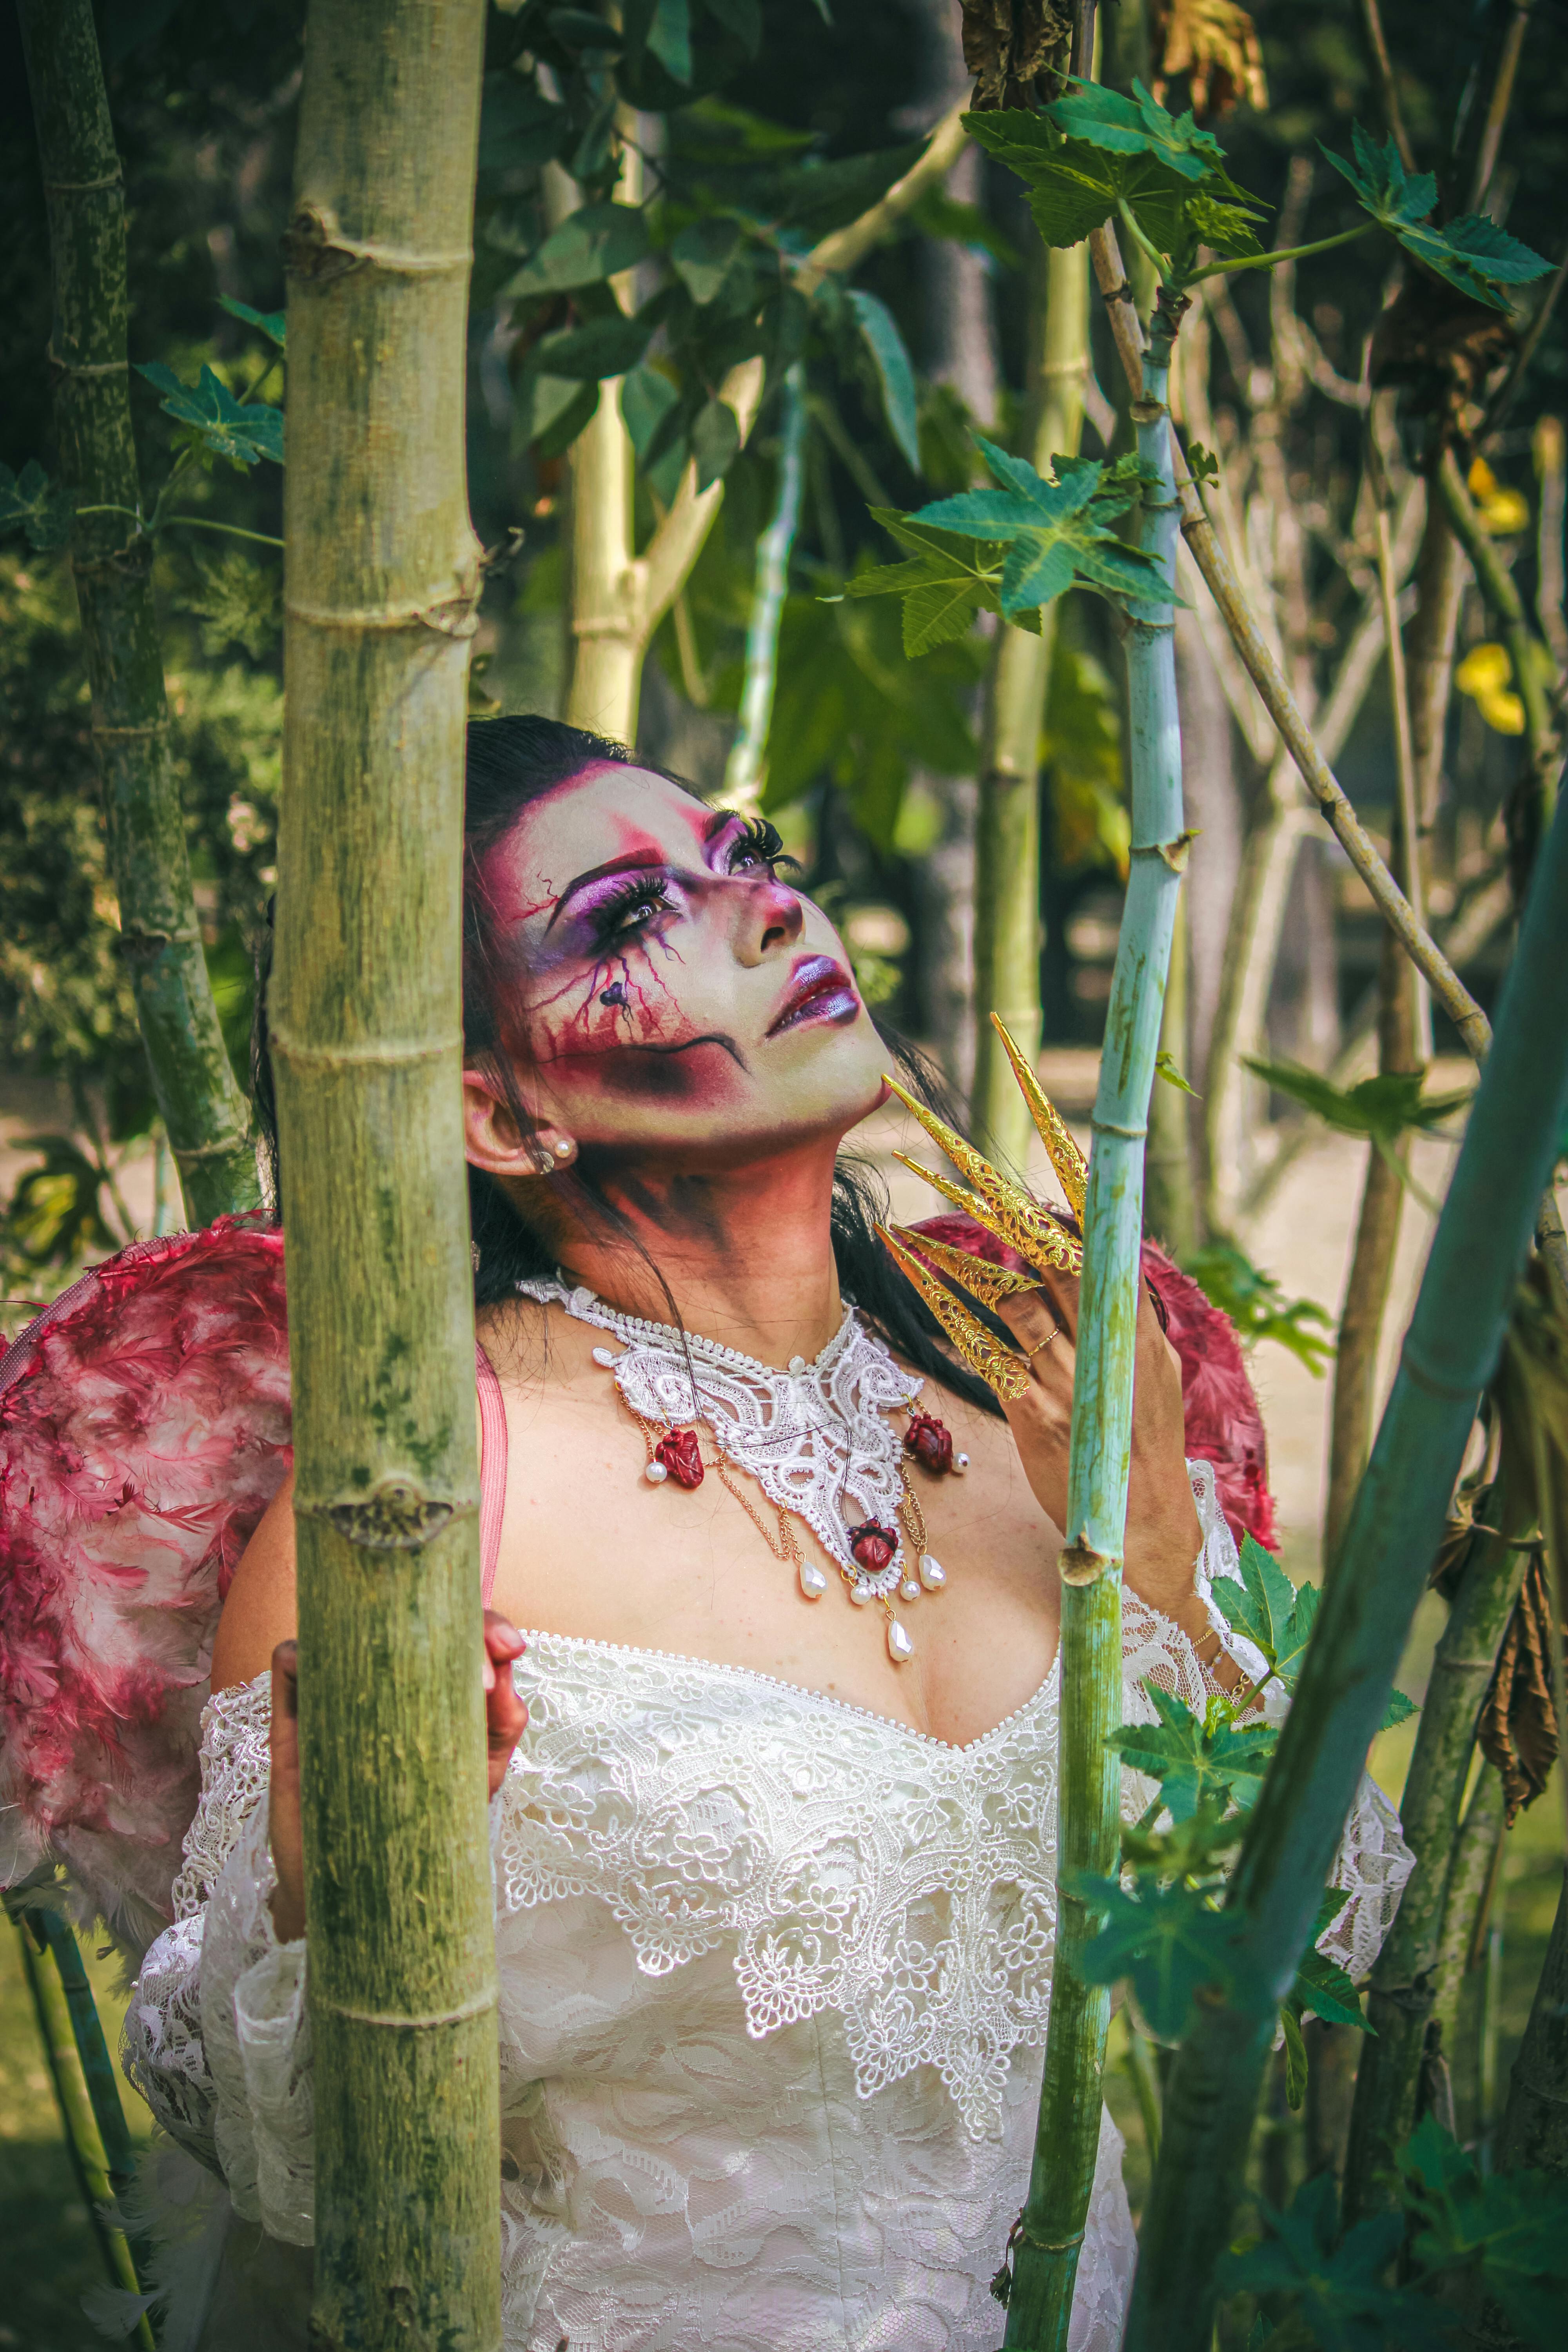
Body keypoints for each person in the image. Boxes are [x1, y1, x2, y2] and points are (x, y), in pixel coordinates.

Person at [118, 716, 1411, 2350]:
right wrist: (324, 1893)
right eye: (631, 916)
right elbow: (265, 2152)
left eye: (754, 863)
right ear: (500, 1117)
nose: (774, 912)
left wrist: (1161, 1560)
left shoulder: (1030, 1403)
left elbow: (1309, 1940)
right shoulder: (421, 1509)